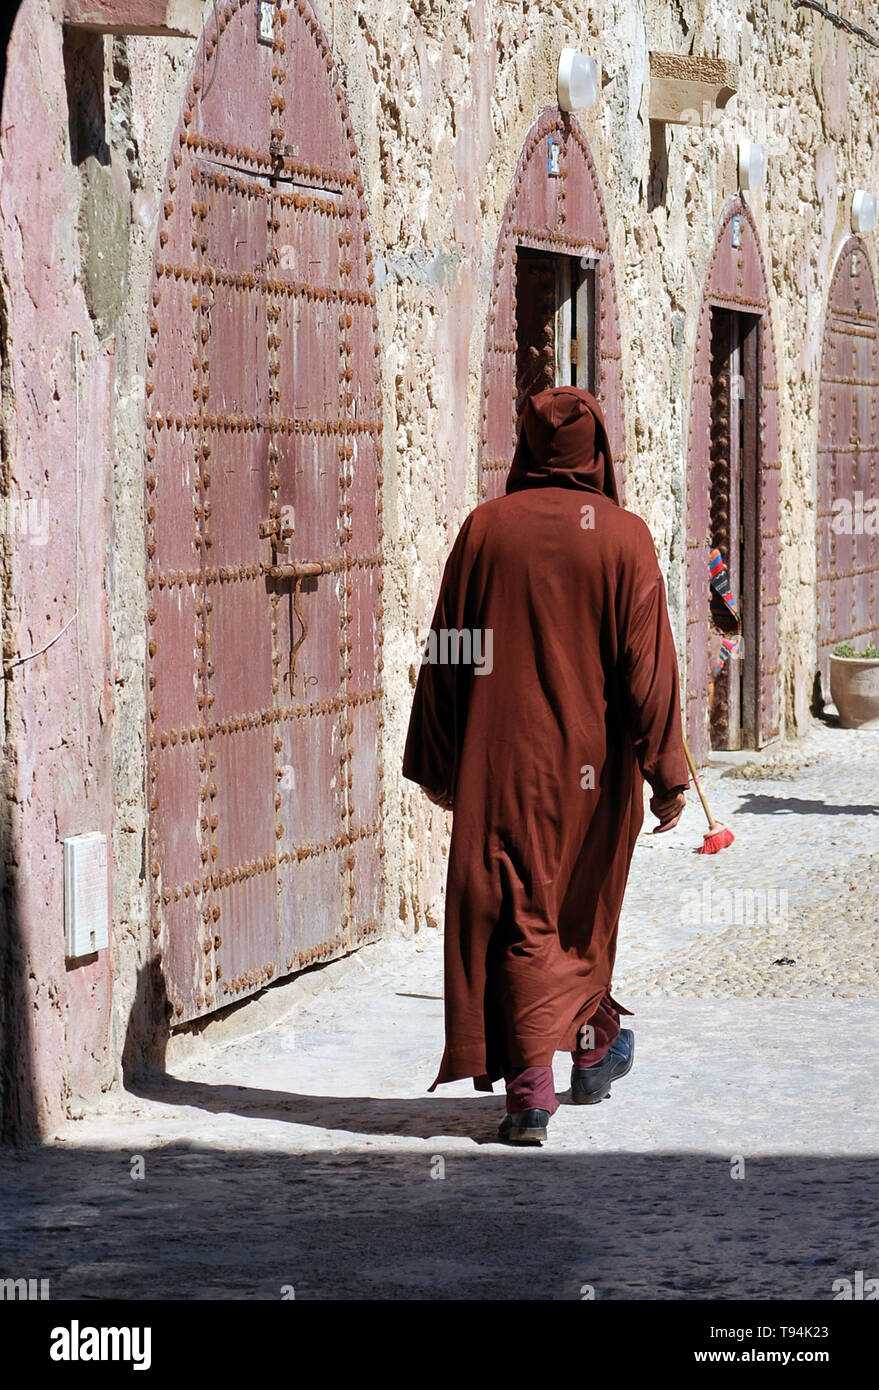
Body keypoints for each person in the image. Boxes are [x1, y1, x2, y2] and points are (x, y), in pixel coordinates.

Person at [403, 386, 689, 1144]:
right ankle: (540, 1087)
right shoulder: (622, 538)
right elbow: (646, 668)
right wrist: (666, 772)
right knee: (568, 913)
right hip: (592, 777)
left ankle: (589, 1049)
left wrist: (438, 755)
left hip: (497, 766)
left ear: (527, 447)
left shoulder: (485, 531)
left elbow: (450, 649)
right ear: (597, 450)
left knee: (521, 914)